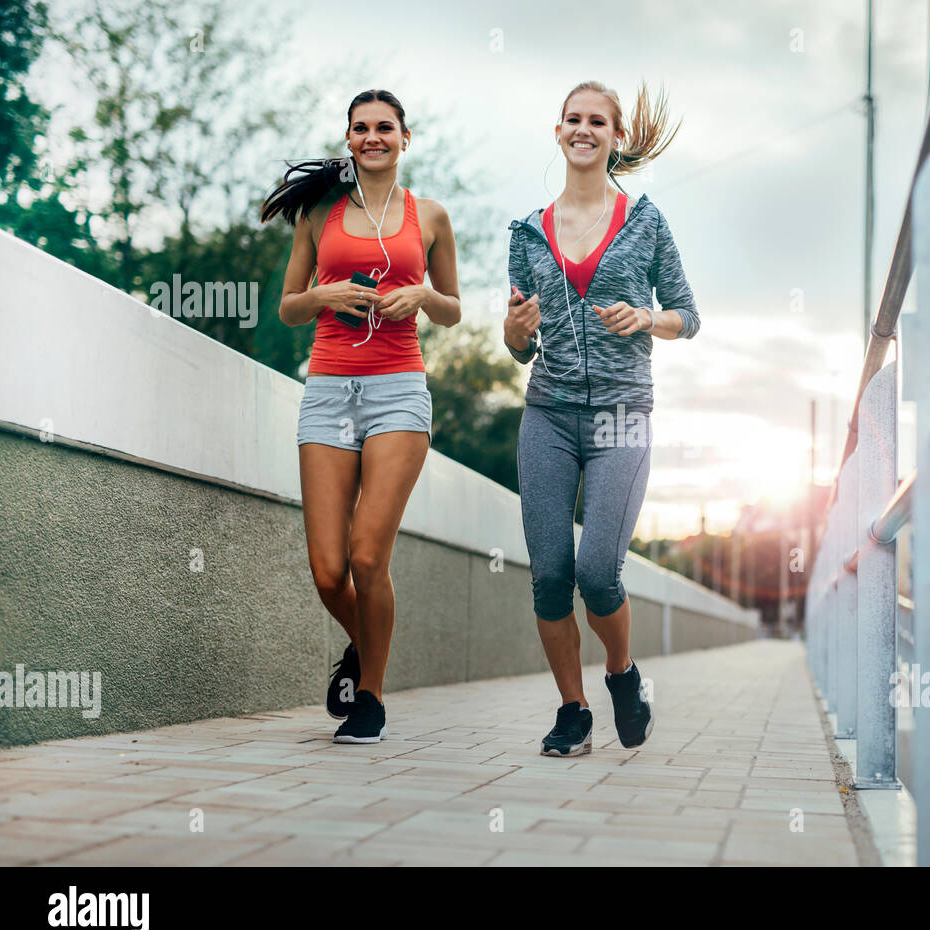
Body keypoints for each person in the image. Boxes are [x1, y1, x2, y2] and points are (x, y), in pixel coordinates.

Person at [503, 80, 700, 756]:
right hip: (549, 414)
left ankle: (621, 673)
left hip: (622, 415)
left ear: (615, 138)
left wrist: (647, 317)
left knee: (598, 571)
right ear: (557, 133)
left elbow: (688, 316)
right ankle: (572, 711)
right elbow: (517, 345)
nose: (582, 129)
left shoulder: (645, 222)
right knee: (550, 572)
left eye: (596, 121)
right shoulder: (527, 232)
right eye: (571, 120)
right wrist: (512, 328)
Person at [260, 89, 461, 743]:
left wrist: (422, 296)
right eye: (360, 128)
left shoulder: (429, 216)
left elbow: (453, 308)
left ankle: (369, 696)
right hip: (327, 390)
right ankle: (363, 646)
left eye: (384, 127)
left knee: (368, 556)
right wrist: (325, 292)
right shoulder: (319, 214)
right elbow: (287, 307)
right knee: (327, 569)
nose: (372, 136)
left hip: (398, 390)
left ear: (405, 137)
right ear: (349, 141)